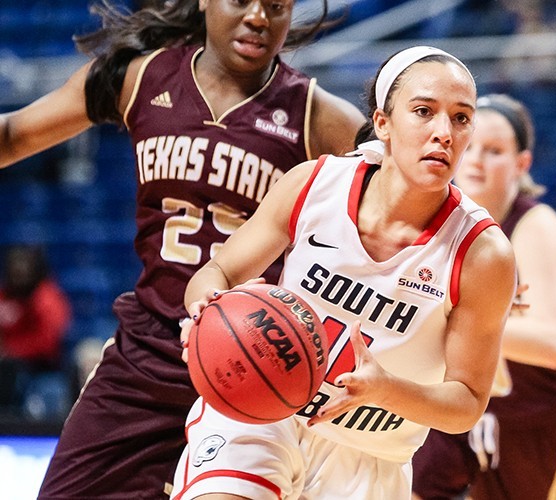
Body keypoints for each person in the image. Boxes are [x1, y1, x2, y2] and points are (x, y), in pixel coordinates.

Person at [0, 1, 365, 497]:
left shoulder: (319, 117)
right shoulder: (140, 79)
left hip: (252, 365)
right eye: (241, 0)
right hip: (147, 354)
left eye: (277, 6)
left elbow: (398, 208)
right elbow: (13, 135)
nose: (259, 17)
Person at [170, 46, 517, 500]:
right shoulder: (315, 184)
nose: (443, 133)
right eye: (423, 112)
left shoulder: (482, 253)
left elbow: (467, 401)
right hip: (264, 416)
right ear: (383, 123)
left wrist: (386, 390)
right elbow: (218, 271)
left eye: (461, 118)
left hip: (370, 457)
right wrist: (205, 308)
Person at [412, 94, 556, 500]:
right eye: (470, 146)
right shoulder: (439, 221)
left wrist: (459, 319)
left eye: (494, 151)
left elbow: (551, 344)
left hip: (529, 419)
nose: (476, 161)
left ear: (522, 164)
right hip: (455, 407)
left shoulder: (535, 225)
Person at [0, 244, 72, 413]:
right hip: (6, 368)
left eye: (24, 265)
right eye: (15, 266)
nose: (19, 271)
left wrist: (11, 350)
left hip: (42, 370)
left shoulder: (47, 298)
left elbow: (47, 343)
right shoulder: (3, 296)